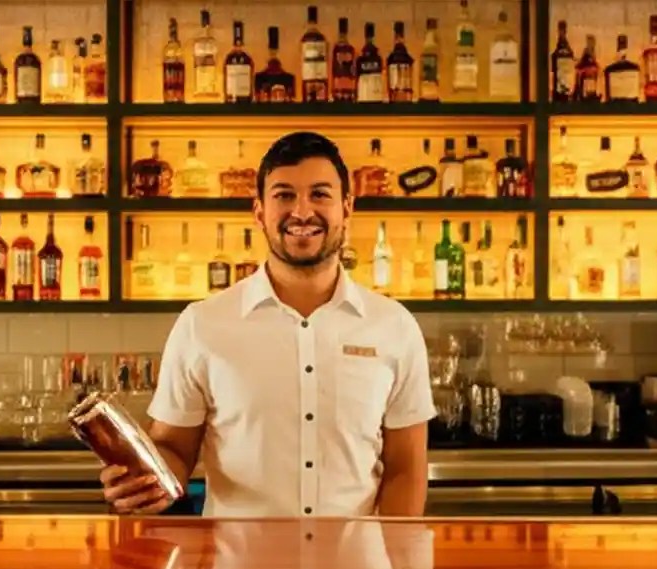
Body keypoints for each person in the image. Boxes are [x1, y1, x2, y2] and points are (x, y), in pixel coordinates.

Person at [99, 131, 436, 517]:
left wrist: (398, 567)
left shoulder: (393, 326)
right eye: (284, 195)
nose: (302, 212)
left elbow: (406, 469)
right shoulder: (203, 324)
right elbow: (175, 449)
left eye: (320, 194)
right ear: (259, 211)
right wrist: (144, 476)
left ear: (347, 207)